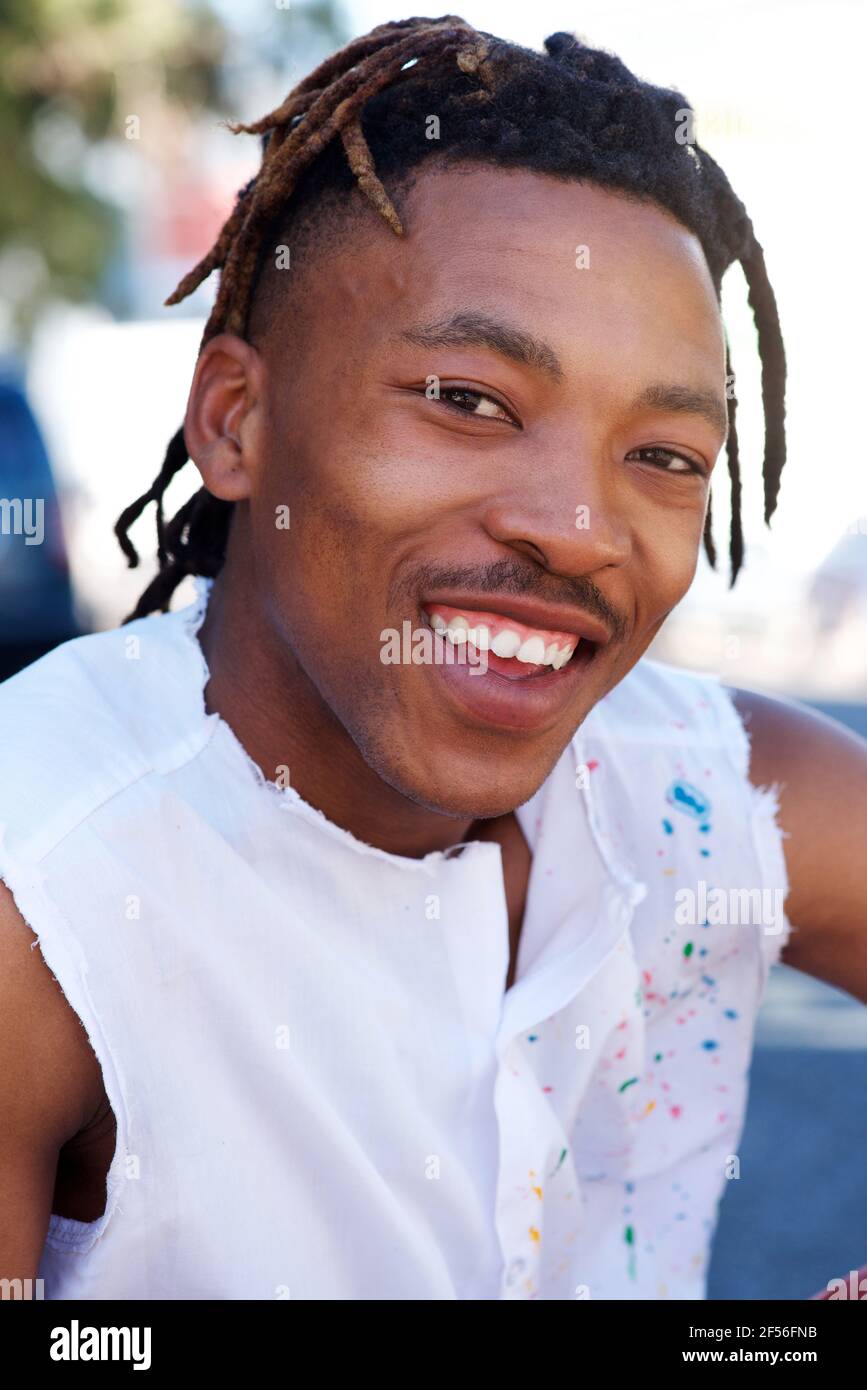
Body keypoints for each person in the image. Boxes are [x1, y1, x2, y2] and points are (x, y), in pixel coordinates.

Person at [1, 16, 864, 1302]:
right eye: (468, 401)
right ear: (238, 421)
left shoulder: (708, 797)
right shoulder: (48, 890)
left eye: (666, 458)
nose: (577, 532)